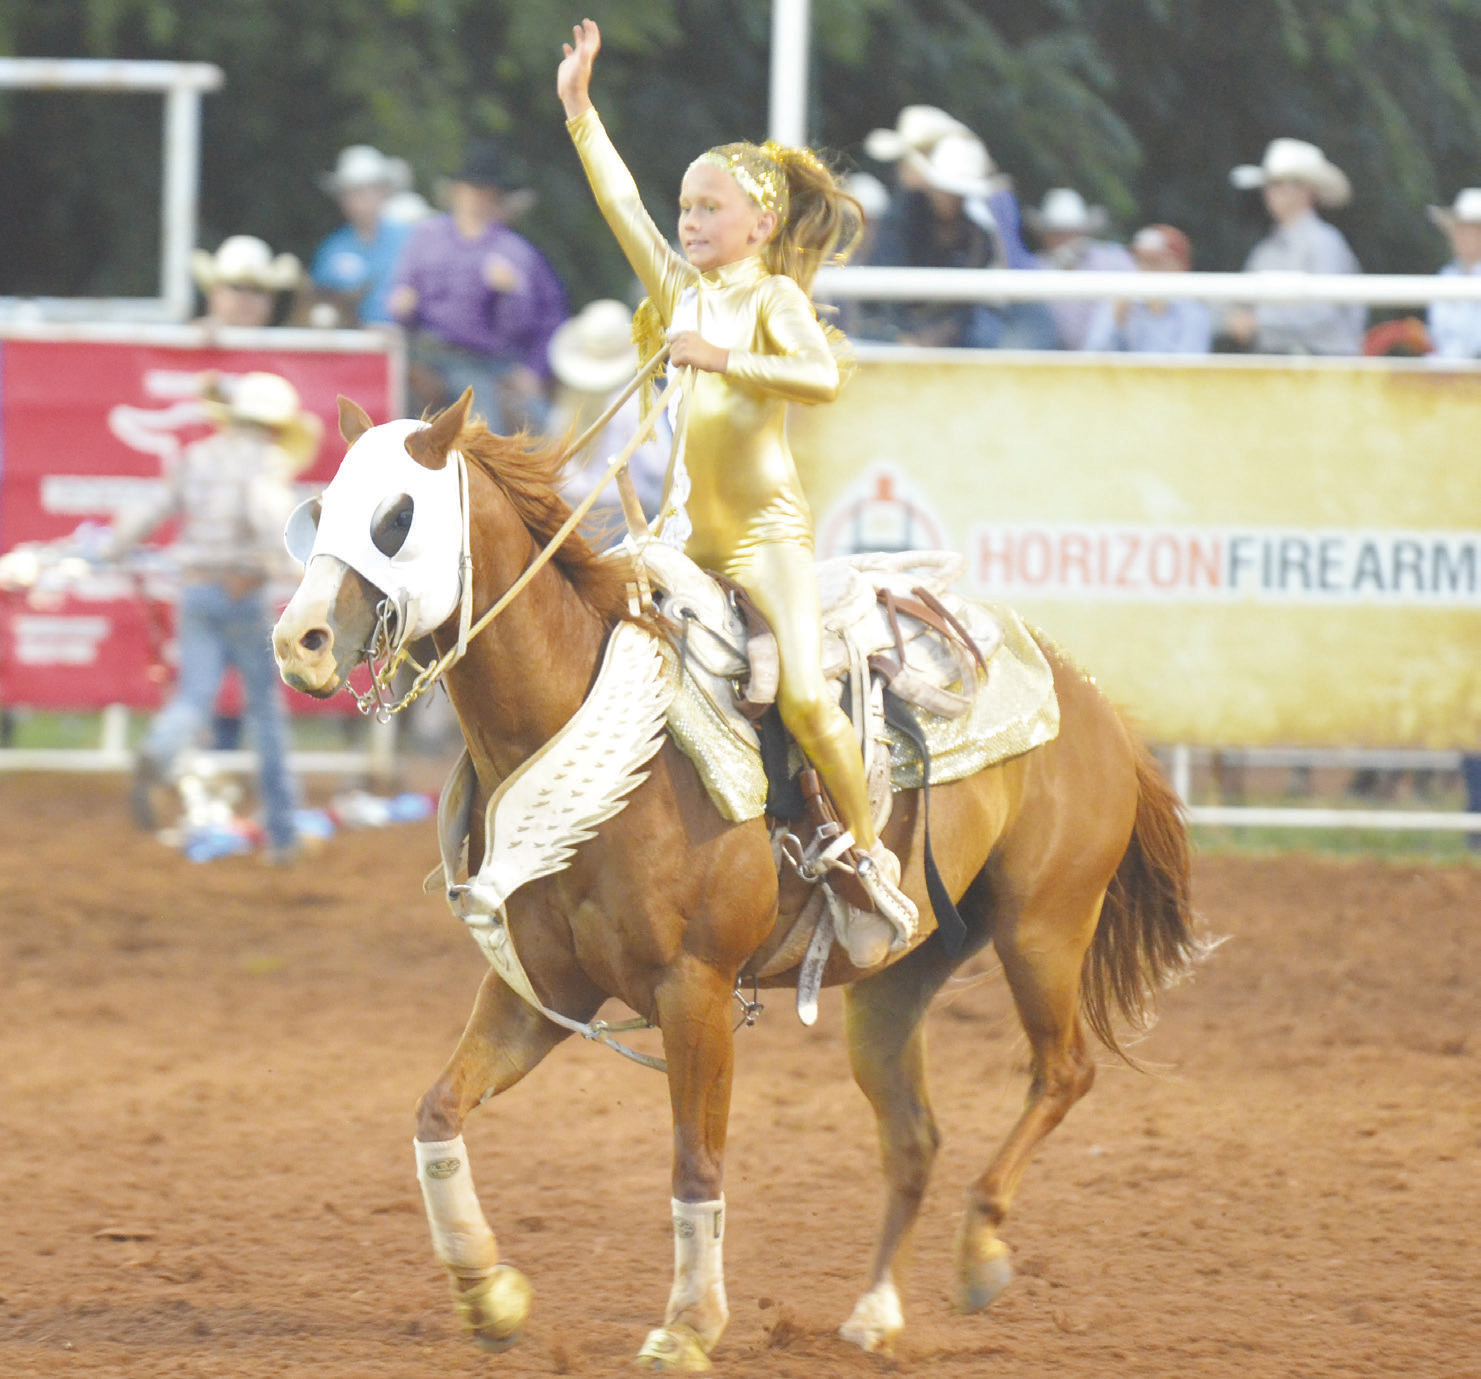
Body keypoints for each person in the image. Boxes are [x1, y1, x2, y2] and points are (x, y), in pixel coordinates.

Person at [557, 18, 916, 964]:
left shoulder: (772, 301)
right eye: (686, 206)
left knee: (802, 694)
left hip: (764, 538)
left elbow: (823, 380)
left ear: (759, 223)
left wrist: (722, 354)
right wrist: (581, 112)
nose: (687, 221)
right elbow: (619, 206)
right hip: (682, 533)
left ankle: (872, 854)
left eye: (709, 208)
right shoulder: (679, 292)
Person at [102, 373, 319, 865]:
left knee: (194, 696)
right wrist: (289, 563)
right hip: (242, 592)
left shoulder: (197, 457)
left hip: (196, 589)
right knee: (264, 711)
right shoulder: (267, 461)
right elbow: (269, 518)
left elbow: (149, 513)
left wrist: (115, 547)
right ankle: (282, 837)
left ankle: (160, 747)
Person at [389, 140, 568, 434]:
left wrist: (534, 367)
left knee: (492, 428)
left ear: (496, 196)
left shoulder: (515, 253)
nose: (477, 198)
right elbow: (402, 303)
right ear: (456, 191)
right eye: (472, 189)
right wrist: (402, 306)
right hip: (424, 351)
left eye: (486, 191)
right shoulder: (425, 237)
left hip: (482, 361)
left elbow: (545, 318)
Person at [858, 105, 1054, 348]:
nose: (950, 199)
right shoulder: (903, 218)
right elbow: (883, 285)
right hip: (892, 326)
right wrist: (904, 336)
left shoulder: (978, 232)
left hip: (953, 331)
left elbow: (965, 306)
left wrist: (938, 334)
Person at [1225, 138, 1364, 355]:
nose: (1269, 193)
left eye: (1279, 184)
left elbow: (1322, 311)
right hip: (1277, 366)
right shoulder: (1265, 251)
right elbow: (1241, 304)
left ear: (1305, 192)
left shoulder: (1325, 242)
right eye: (1269, 185)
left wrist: (1258, 322)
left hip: (1326, 367)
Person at [548, 298, 669, 538]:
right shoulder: (633, 401)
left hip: (571, 510)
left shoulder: (570, 397)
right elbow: (661, 463)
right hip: (620, 516)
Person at [309, 144, 416, 325]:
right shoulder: (331, 249)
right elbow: (317, 303)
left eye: (369, 190)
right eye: (352, 192)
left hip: (405, 342)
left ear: (384, 192)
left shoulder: (411, 239)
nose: (362, 200)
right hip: (351, 347)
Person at [1025, 188, 1136, 350]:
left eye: (1070, 232)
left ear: (1083, 232)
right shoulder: (1034, 268)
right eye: (1057, 233)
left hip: (1111, 356)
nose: (1064, 239)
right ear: (1045, 235)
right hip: (1053, 359)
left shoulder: (1112, 259)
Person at [1082, 223, 1213, 354]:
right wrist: (1114, 321)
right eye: (1140, 261)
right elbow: (1091, 356)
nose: (1146, 270)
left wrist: (1157, 318)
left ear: (1179, 266)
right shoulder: (1121, 300)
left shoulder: (1192, 311)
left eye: (1155, 262)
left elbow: (1189, 365)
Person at [191, 235, 301, 329]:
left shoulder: (297, 347)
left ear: (272, 299)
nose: (246, 298)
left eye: (257, 290)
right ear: (213, 293)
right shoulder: (186, 343)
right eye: (235, 287)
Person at [1425, 188, 1481, 360]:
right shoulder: (1447, 275)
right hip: (1444, 372)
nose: (1459, 236)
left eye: (1468, 230)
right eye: (1457, 229)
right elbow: (1437, 334)